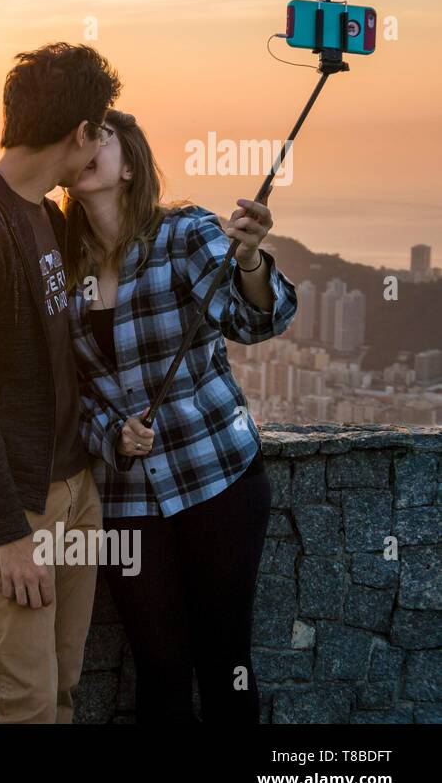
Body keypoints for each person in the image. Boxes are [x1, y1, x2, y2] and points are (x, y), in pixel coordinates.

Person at [60, 109, 297, 722]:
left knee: (227, 663)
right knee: (160, 668)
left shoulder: (184, 235)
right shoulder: (61, 271)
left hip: (217, 477)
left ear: (131, 164)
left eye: (102, 138)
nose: (88, 147)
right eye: (80, 139)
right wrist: (111, 435)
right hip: (126, 499)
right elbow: (66, 389)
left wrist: (248, 260)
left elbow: (256, 322)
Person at [0, 42, 122, 723]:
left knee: (62, 683)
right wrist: (9, 533)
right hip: (12, 507)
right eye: (101, 127)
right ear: (80, 133)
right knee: (26, 700)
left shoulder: (47, 215)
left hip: (73, 488)